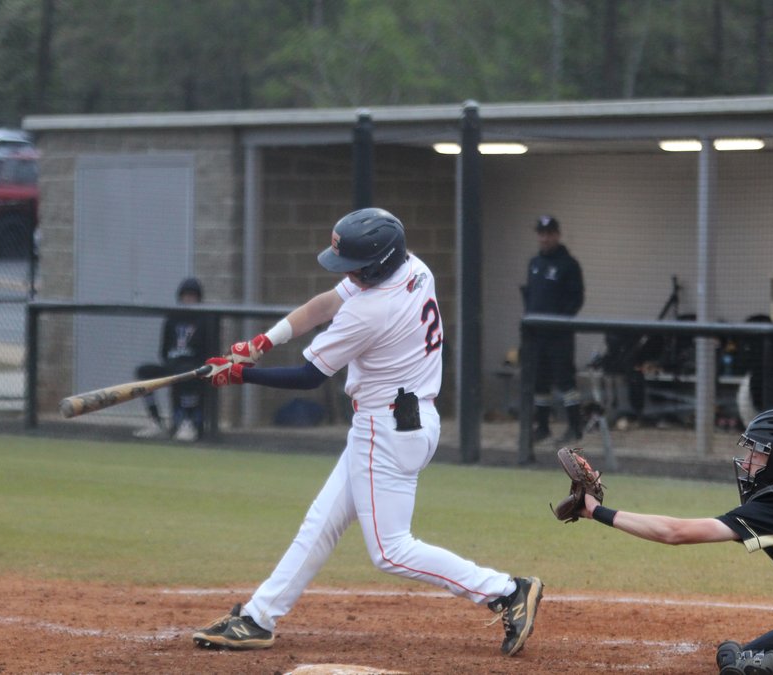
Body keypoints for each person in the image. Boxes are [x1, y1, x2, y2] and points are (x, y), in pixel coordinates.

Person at [190, 207, 544, 655]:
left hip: (387, 428)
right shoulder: (413, 267)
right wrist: (261, 344)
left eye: (354, 268)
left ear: (376, 264)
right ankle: (259, 617)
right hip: (399, 419)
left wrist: (241, 376)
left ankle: (506, 590)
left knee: (391, 550)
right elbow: (325, 303)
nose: (347, 275)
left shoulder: (372, 310)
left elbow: (307, 376)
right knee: (321, 523)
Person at [576, 408, 773, 674]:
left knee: (749, 662)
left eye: (757, 453)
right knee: (745, 652)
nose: (748, 461)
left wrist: (596, 511)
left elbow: (675, 532)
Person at [521, 214, 585, 443]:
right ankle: (543, 426)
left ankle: (575, 426)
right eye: (541, 234)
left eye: (549, 234)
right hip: (537, 336)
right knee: (540, 382)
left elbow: (576, 299)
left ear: (557, 235)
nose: (545, 238)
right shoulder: (535, 264)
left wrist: (561, 320)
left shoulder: (569, 264)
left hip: (559, 335)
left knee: (565, 380)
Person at [133, 277, 207, 441]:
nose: (188, 299)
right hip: (173, 364)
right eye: (185, 296)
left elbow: (208, 351)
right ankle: (156, 422)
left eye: (192, 296)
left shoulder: (205, 319)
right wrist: (171, 362)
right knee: (143, 372)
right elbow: (164, 350)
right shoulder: (172, 319)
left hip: (194, 366)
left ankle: (188, 423)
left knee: (187, 374)